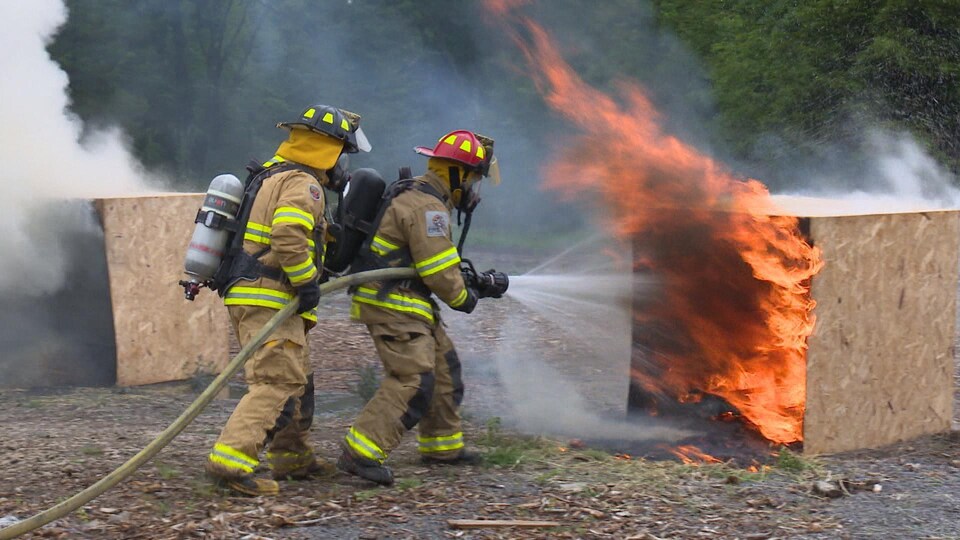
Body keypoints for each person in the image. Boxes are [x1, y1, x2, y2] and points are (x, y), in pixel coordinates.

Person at [205, 104, 371, 496]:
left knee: (297, 375)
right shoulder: (303, 183)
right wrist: (307, 280)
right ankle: (231, 462)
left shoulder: (272, 175)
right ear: (327, 150)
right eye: (342, 156)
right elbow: (286, 236)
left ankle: (292, 457)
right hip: (269, 294)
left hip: (253, 291)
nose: (342, 168)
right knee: (275, 379)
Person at [337, 129, 508, 486]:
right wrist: (468, 297)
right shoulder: (428, 207)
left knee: (445, 370)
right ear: (456, 174)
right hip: (392, 303)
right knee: (413, 379)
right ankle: (361, 453)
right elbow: (439, 274)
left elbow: (436, 265)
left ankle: (442, 447)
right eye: (474, 180)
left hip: (407, 300)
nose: (474, 191)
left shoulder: (424, 195)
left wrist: (475, 283)